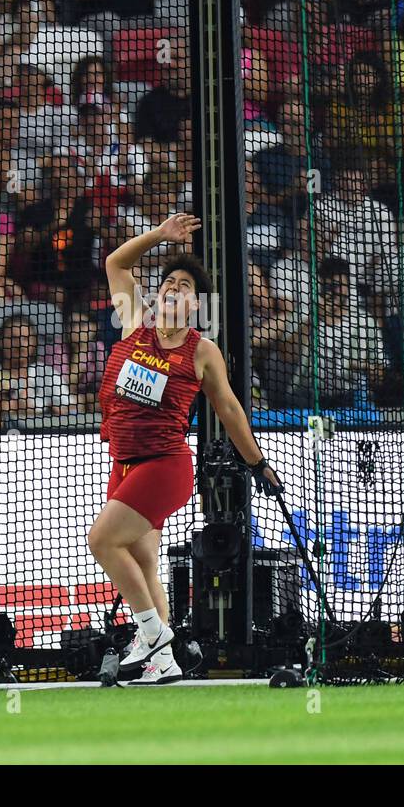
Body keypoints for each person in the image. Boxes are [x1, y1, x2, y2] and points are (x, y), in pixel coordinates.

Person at [92, 212, 284, 684]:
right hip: (124, 462)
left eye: (184, 287)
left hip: (166, 464)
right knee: (141, 561)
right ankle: (165, 662)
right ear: (158, 295)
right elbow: (116, 264)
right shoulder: (134, 322)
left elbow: (231, 411)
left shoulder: (202, 350)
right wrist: (160, 235)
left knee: (102, 541)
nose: (174, 289)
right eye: (169, 283)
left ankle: (153, 637)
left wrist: (256, 462)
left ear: (196, 305)